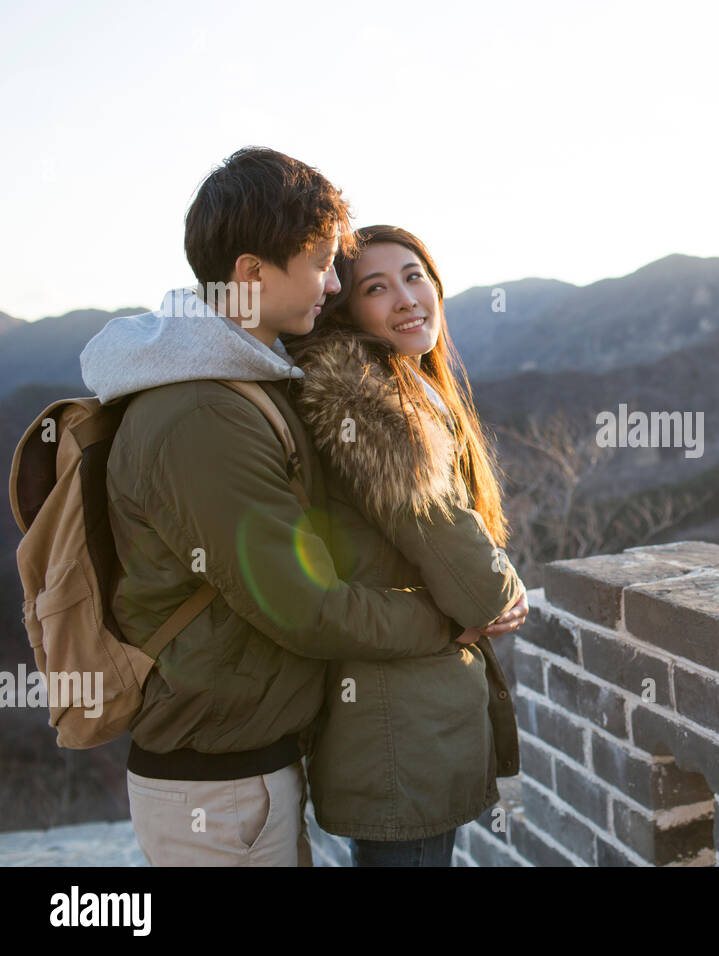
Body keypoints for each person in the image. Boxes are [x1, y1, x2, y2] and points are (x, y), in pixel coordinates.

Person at [78, 149, 454, 866]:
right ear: (252, 274)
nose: (335, 283)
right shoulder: (201, 414)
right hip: (215, 792)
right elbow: (302, 606)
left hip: (249, 768)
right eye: (320, 262)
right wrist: (444, 619)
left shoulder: (248, 383)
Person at [284, 224, 529, 867]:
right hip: (400, 733)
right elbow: (479, 589)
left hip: (403, 724)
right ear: (345, 307)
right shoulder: (372, 405)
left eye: (414, 276)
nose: (406, 298)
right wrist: (506, 588)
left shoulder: (410, 390)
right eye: (376, 287)